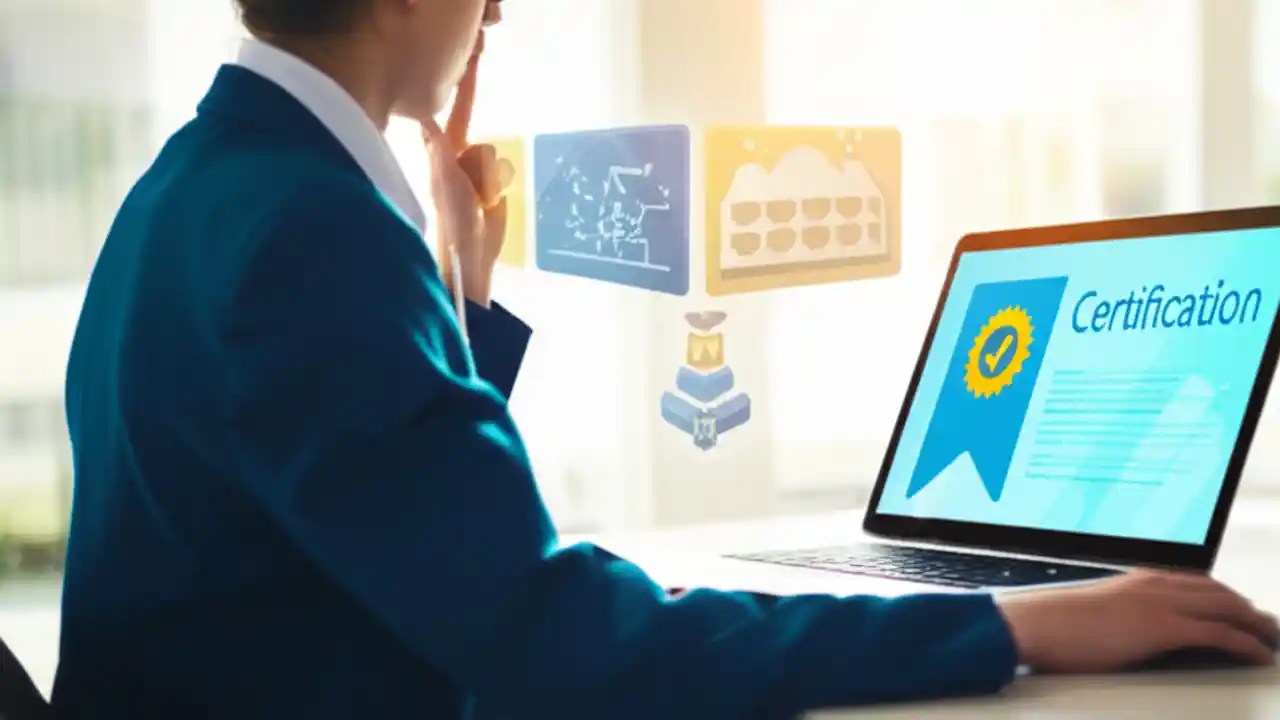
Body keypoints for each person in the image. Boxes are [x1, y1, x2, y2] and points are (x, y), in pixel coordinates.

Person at [51, 0, 1279, 717]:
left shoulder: (199, 182)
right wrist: (1017, 628)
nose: (497, 14)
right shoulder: (309, 231)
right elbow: (551, 638)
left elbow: (375, 504)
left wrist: (457, 288)